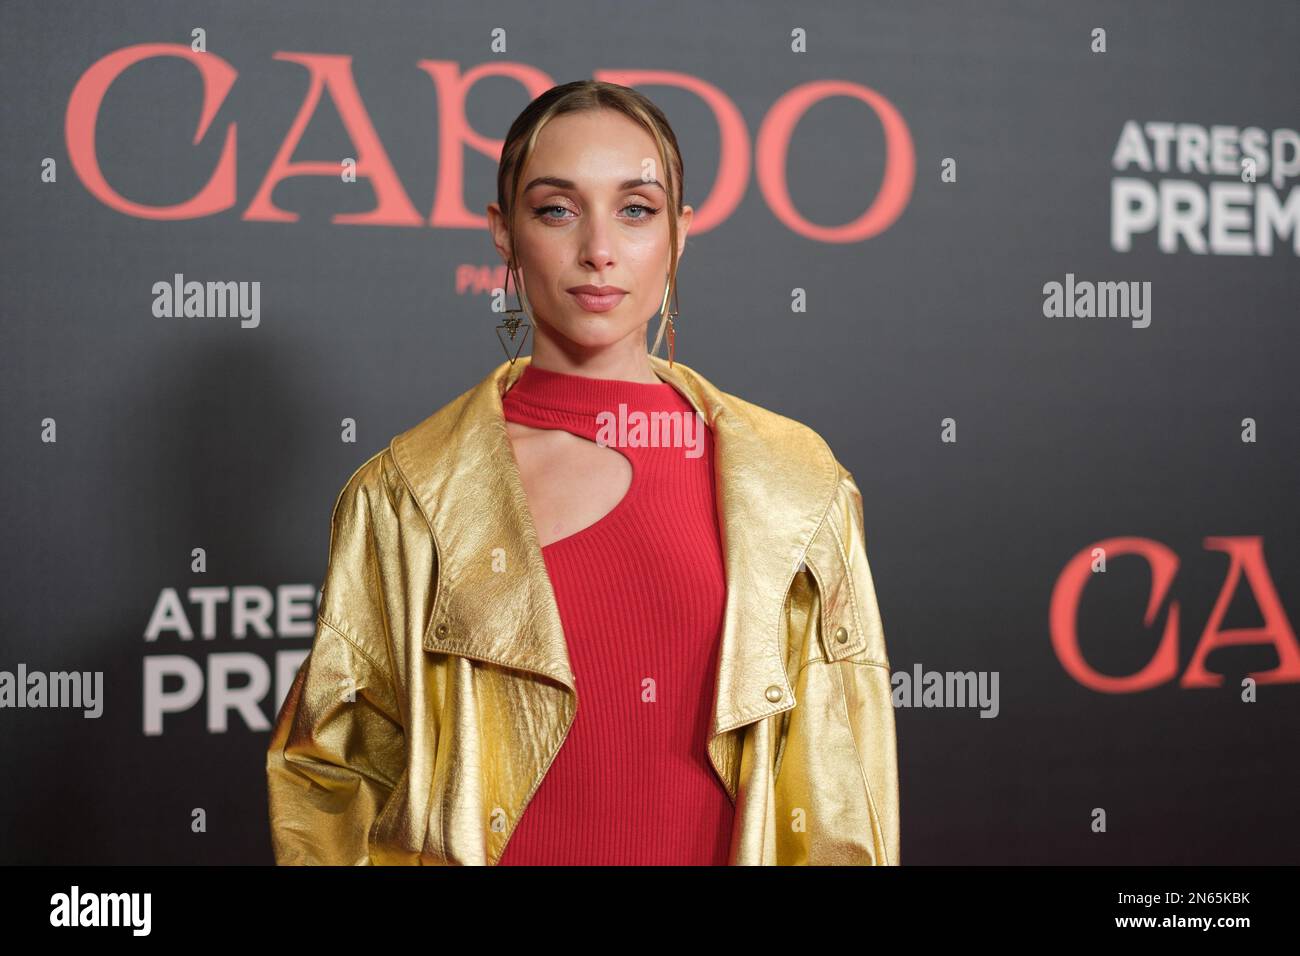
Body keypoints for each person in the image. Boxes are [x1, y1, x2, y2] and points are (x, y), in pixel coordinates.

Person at [266, 80, 899, 865]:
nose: (599, 248)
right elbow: (329, 776)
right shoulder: (406, 497)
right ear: (503, 232)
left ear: (680, 232)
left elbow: (843, 793)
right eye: (557, 209)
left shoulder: (798, 485)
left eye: (636, 209)